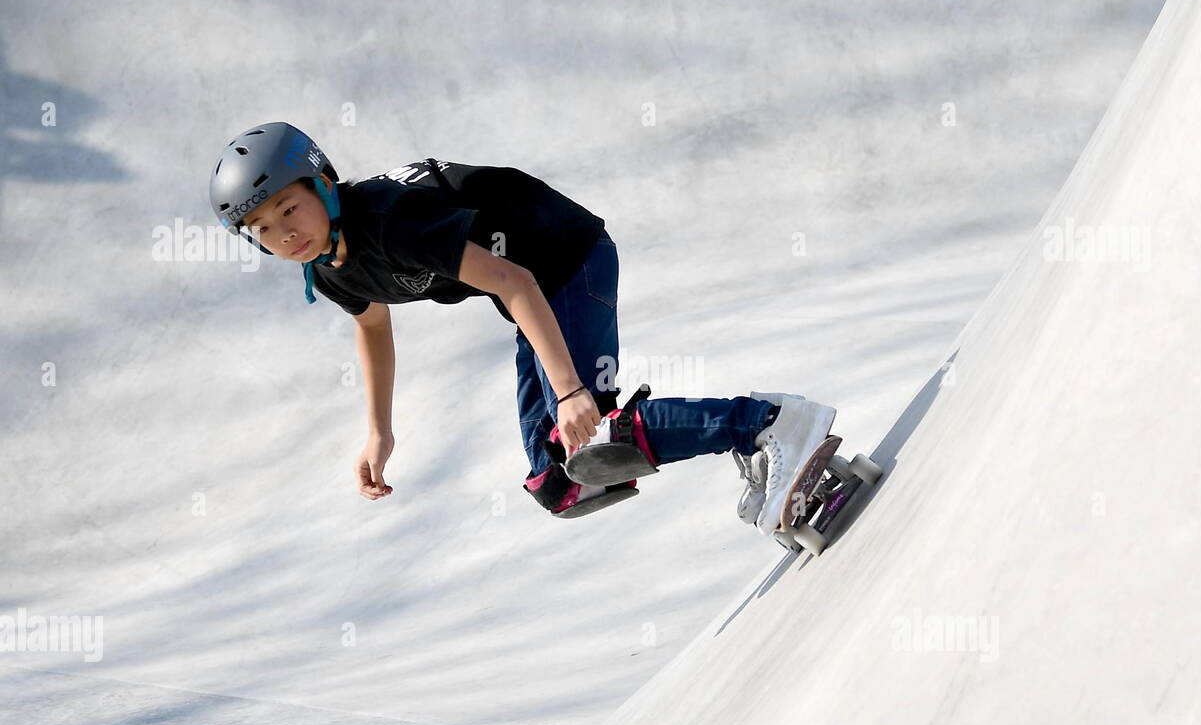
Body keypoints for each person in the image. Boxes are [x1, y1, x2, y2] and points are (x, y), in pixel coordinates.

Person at [207, 122, 837, 534]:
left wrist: (569, 392)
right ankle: (741, 436)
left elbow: (515, 282)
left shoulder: (389, 223)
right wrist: (378, 432)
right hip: (531, 288)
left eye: (289, 208)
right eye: (262, 228)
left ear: (323, 185)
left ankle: (769, 424)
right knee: (555, 477)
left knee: (588, 434)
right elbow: (372, 328)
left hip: (568, 260)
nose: (284, 233)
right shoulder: (330, 267)